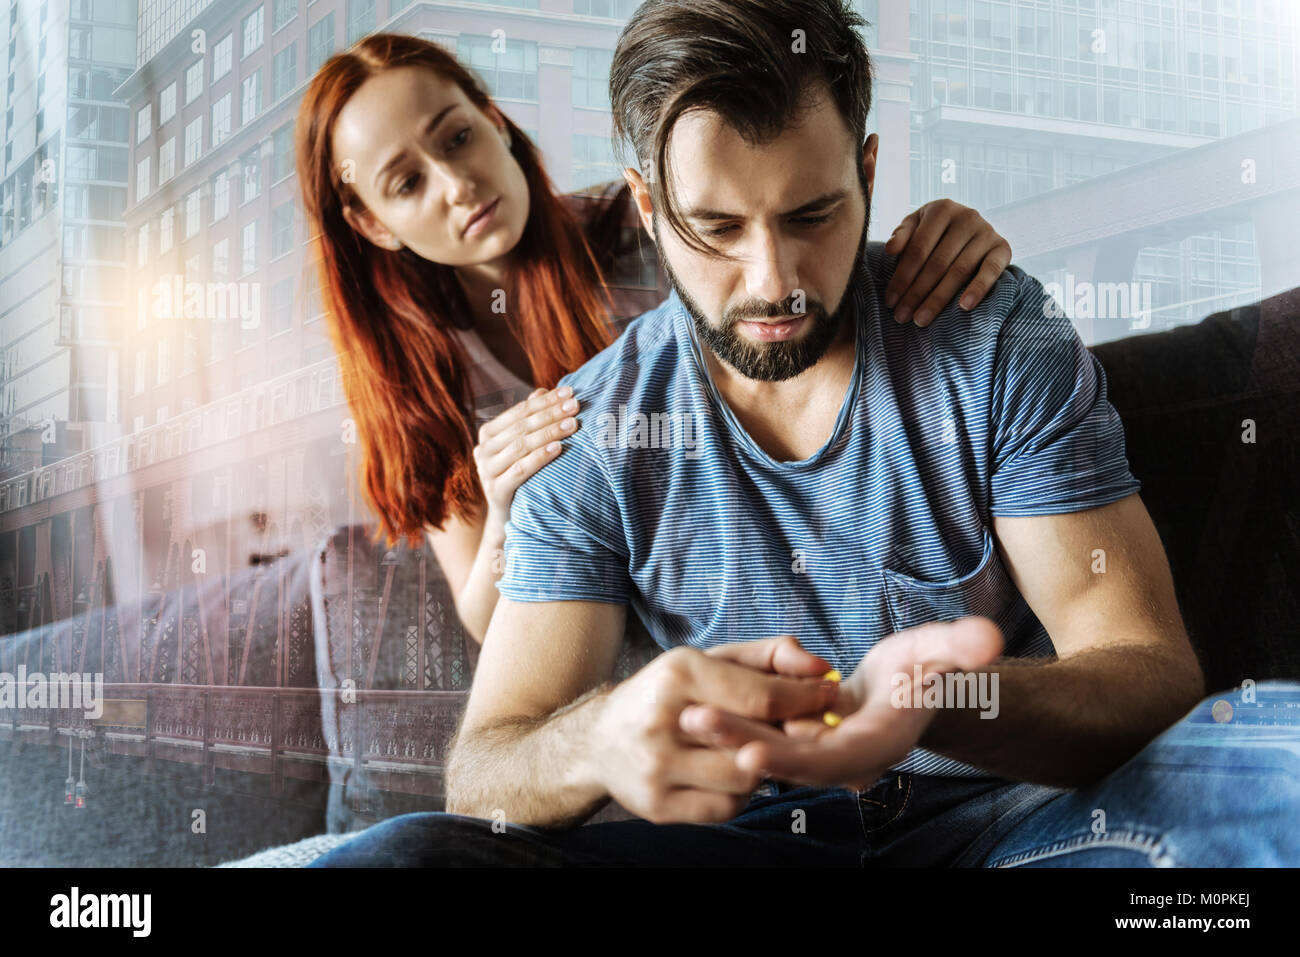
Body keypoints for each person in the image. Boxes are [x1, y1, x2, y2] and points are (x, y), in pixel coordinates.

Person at [309, 0, 1300, 868]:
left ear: (868, 171)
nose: (773, 278)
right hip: (725, 841)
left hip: (1006, 826)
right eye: (717, 229)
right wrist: (602, 736)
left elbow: (1145, 667)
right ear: (649, 210)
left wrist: (944, 706)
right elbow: (488, 762)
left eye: (813, 212)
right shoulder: (585, 426)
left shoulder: (994, 332)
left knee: (1275, 758)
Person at [296, 32, 1016, 646]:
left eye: (458, 136)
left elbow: (812, 263)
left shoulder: (652, 229)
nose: (457, 183)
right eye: (406, 182)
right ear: (372, 224)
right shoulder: (414, 382)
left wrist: (938, 244)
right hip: (637, 657)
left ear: (495, 120)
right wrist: (508, 512)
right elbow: (488, 621)